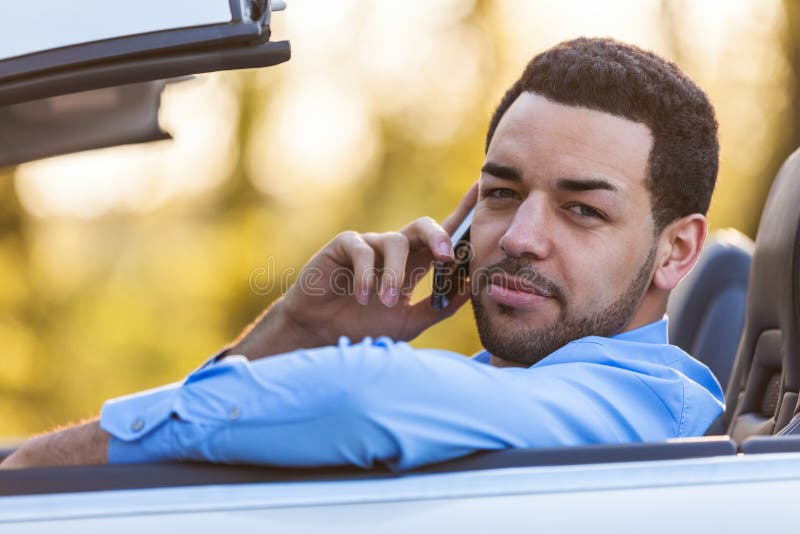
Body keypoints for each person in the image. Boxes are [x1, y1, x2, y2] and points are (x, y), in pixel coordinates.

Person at [1, 37, 724, 470]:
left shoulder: (644, 407)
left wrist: (33, 468)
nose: (521, 237)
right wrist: (295, 335)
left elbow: (358, 399)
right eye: (502, 195)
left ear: (675, 250)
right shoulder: (500, 393)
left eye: (582, 210)